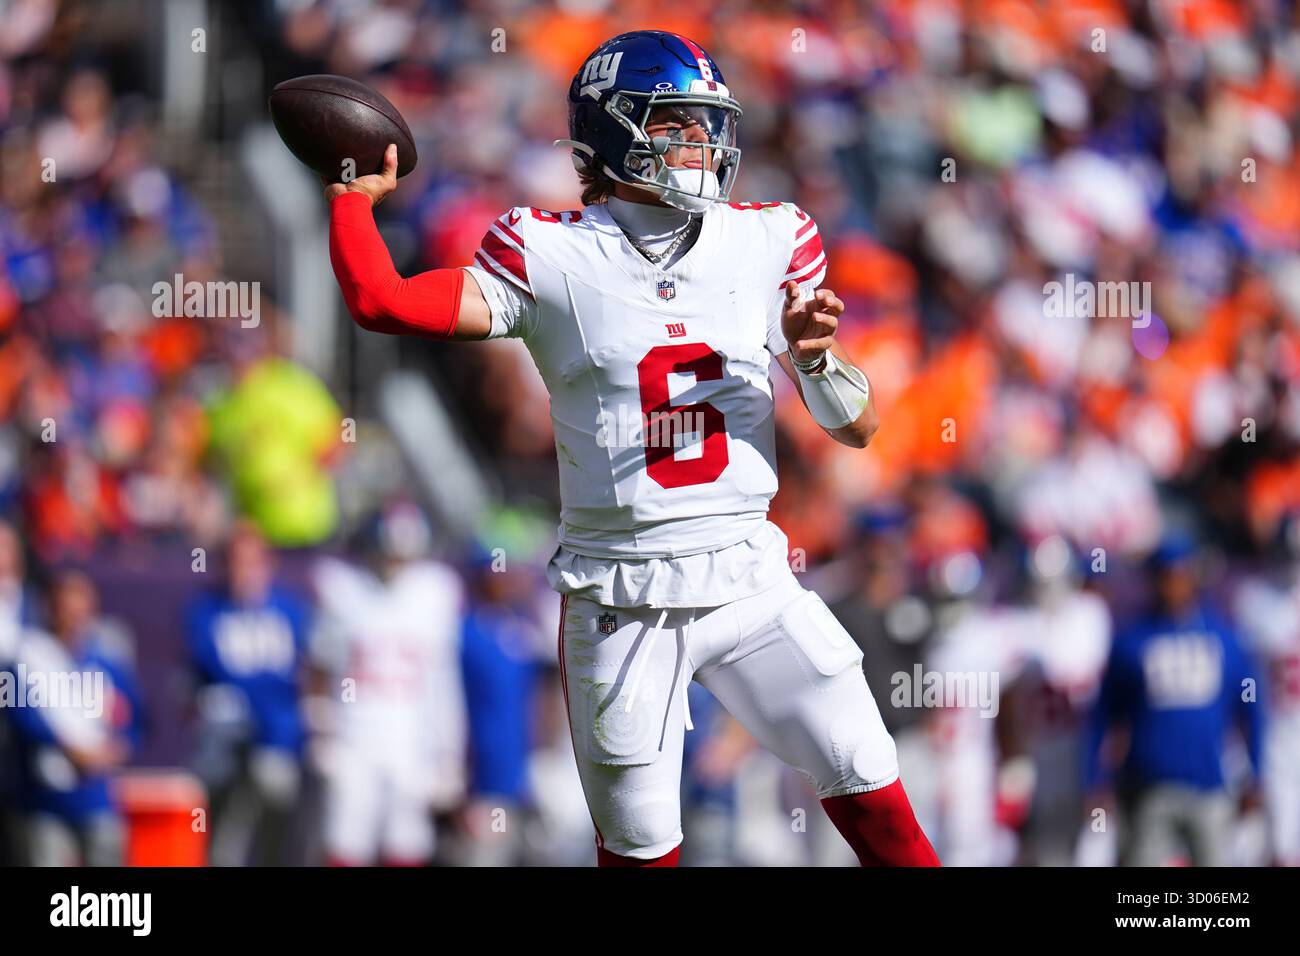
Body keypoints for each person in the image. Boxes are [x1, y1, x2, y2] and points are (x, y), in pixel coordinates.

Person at [324, 30, 937, 867]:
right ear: (614, 132)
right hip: (623, 590)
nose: (704, 144)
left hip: (750, 574)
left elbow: (857, 430)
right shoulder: (546, 250)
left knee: (874, 787)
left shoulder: (769, 240)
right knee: (643, 849)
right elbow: (381, 298)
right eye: (678, 123)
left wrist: (816, 357)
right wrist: (353, 198)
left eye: (708, 124)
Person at [1085, 534, 1265, 866]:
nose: (1175, 585)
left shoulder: (1224, 638)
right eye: (1167, 576)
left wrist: (1256, 772)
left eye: (1182, 575)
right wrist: (1095, 778)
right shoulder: (1131, 640)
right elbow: (1103, 715)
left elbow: (1251, 708)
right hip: (1150, 788)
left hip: (1209, 786)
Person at [309, 502, 467, 867]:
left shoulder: (434, 593)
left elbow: (443, 682)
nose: (394, 562)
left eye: (403, 555)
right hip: (353, 736)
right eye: (388, 552)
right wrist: (321, 729)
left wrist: (449, 754)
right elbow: (319, 665)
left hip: (411, 739)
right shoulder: (343, 590)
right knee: (345, 841)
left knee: (407, 842)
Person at [185, 522, 311, 865]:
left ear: (268, 564)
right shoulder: (204, 611)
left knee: (281, 822)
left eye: (252, 561)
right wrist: (272, 687)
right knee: (225, 838)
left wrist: (270, 695)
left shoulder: (291, 611)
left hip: (278, 743)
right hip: (224, 742)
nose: (244, 571)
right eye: (235, 561)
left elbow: (306, 675)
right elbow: (215, 671)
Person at [7, 570, 142, 866]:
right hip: (43, 799)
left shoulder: (106, 662)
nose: (72, 617)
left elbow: (135, 719)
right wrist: (70, 749)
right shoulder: (25, 658)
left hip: (96, 797)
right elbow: (21, 717)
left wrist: (118, 748)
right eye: (64, 607)